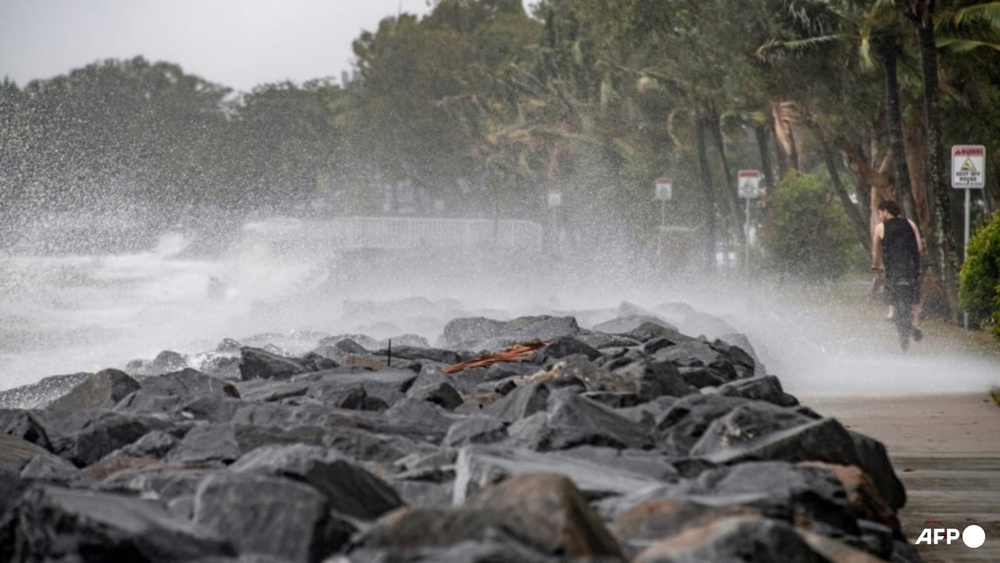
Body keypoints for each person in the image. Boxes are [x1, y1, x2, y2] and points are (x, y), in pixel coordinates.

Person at [871, 199, 923, 341]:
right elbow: (919, 248)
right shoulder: (910, 223)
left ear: (886, 212)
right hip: (911, 267)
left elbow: (876, 251)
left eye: (880, 213)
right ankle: (916, 323)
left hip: (893, 268)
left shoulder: (880, 228)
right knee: (915, 292)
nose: (880, 215)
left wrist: (876, 266)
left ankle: (891, 311)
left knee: (889, 284)